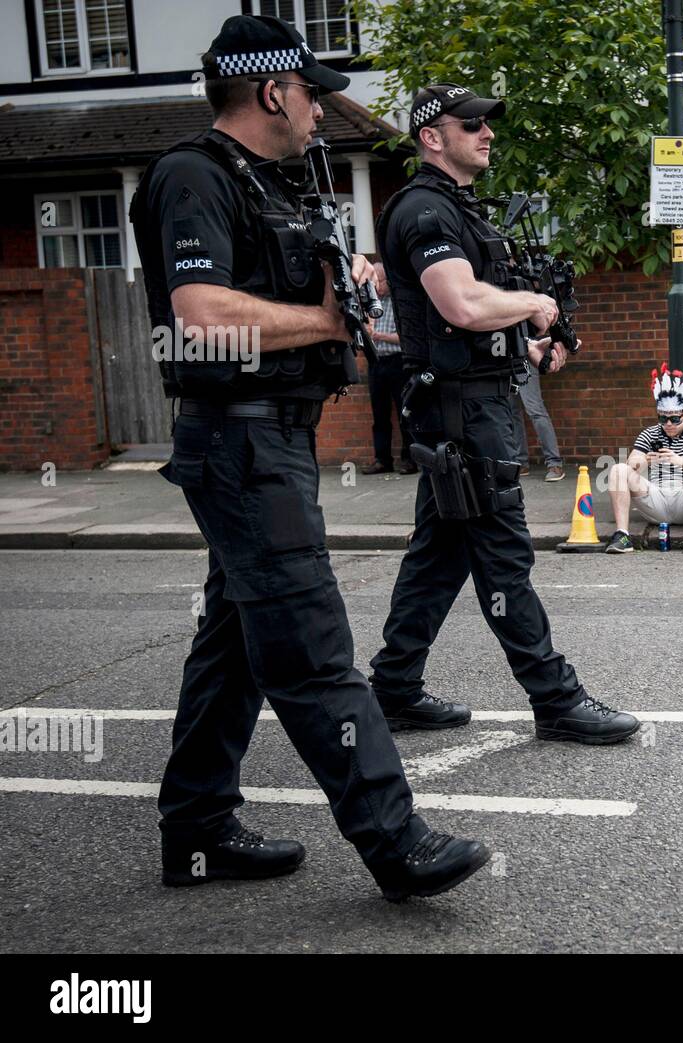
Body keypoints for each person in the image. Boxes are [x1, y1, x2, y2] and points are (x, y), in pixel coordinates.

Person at [129, 14, 488, 901]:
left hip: (270, 439)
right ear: (271, 91)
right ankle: (395, 842)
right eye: (313, 94)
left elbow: (273, 288)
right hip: (239, 442)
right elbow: (203, 315)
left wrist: (350, 277)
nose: (324, 111)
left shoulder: (264, 182)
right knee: (313, 648)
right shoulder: (192, 176)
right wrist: (326, 320)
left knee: (238, 642)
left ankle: (198, 829)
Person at [367, 82, 639, 744]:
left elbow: (467, 322)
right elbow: (460, 304)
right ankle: (556, 698)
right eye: (472, 124)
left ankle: (394, 688)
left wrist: (530, 343)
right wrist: (530, 305)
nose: (487, 133)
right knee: (503, 560)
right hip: (462, 420)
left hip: (469, 408)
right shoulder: (425, 211)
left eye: (489, 123)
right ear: (433, 136)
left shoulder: (458, 208)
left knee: (438, 557)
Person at [605, 363, 683, 554]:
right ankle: (622, 535)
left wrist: (677, 460)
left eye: (674, 419)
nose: (668, 424)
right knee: (618, 469)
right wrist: (646, 461)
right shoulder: (650, 433)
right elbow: (631, 463)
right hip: (655, 499)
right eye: (663, 418)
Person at [363, 261, 416, 475]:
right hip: (376, 362)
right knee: (380, 414)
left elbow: (407, 339)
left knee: (406, 412)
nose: (376, 286)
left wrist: (380, 336)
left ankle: (410, 459)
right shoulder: (369, 303)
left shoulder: (398, 303)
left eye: (379, 281)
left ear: (388, 280)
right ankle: (382, 459)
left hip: (398, 361)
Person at [510, 359, 565, 481]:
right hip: (503, 362)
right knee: (512, 412)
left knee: (535, 410)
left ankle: (554, 464)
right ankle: (521, 463)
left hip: (523, 358)